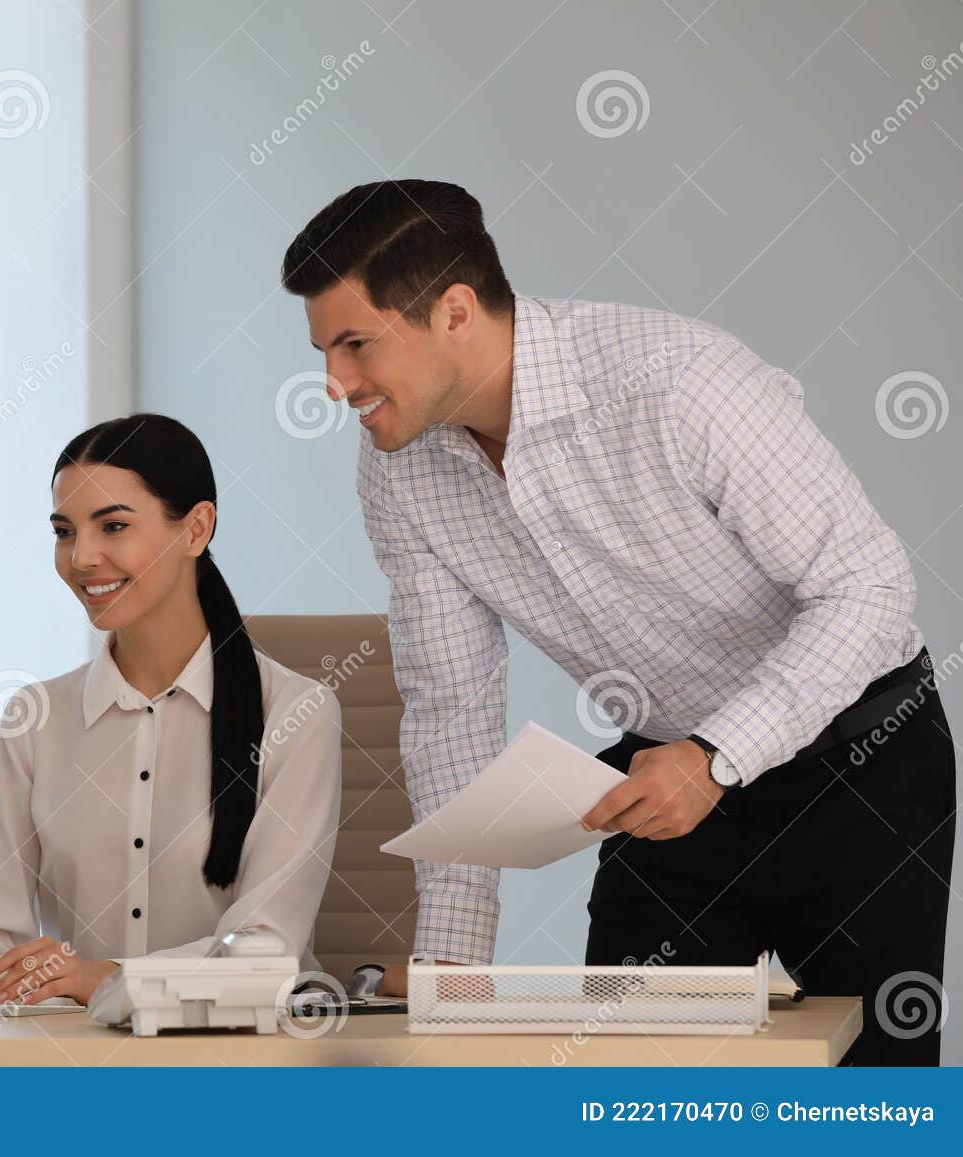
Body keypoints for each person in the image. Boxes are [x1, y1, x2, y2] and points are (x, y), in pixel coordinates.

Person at [279, 179, 955, 1065]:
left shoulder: (679, 383)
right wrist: (453, 963)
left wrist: (718, 757)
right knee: (624, 1090)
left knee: (872, 1100)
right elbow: (452, 706)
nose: (335, 384)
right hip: (664, 785)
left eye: (355, 344)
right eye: (326, 352)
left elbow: (866, 586)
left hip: (860, 766)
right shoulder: (400, 472)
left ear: (453, 310)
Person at [0, 413, 342, 1007]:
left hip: (238, 1059)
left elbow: (265, 954)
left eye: (113, 526)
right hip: (75, 1062)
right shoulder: (34, 717)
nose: (82, 557)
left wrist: (105, 978)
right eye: (64, 531)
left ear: (195, 530)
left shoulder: (298, 712)